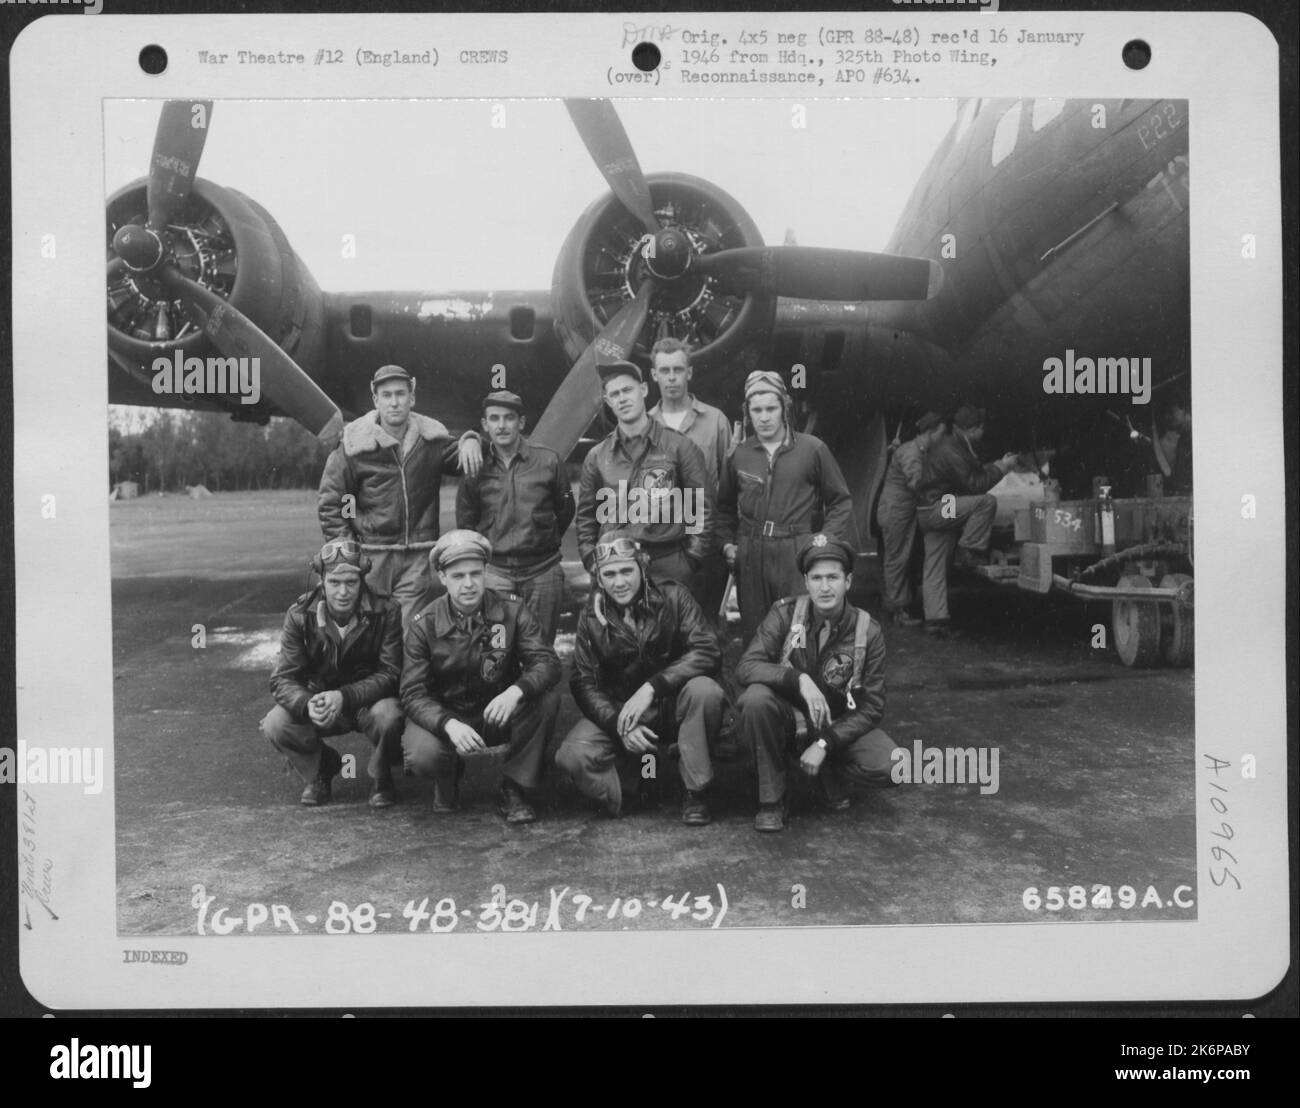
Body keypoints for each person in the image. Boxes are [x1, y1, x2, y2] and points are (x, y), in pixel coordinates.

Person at [556, 531, 725, 824]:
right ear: (599, 577)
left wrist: (653, 686)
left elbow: (707, 650)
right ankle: (634, 790)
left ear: (642, 566)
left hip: (675, 704)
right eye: (609, 574)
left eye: (626, 571)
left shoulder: (674, 595)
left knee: (705, 690)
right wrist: (617, 723)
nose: (619, 582)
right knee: (571, 755)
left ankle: (696, 792)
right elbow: (582, 681)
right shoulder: (591, 617)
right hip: (625, 712)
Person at [735, 533, 898, 833]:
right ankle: (772, 800)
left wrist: (826, 742)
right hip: (787, 719)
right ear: (806, 582)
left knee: (892, 764)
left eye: (833, 577)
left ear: (848, 581)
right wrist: (798, 679)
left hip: (836, 723)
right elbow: (746, 666)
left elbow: (872, 708)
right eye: (817, 578)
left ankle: (828, 769)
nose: (825, 587)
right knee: (755, 699)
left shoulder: (868, 630)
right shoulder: (784, 614)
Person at [400, 529, 561, 824]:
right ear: (442, 577)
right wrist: (447, 724)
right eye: (458, 576)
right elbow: (412, 693)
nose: (469, 584)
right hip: (448, 716)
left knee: (547, 697)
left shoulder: (512, 609)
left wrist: (516, 691)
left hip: (496, 712)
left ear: (487, 571)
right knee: (422, 754)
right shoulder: (424, 625)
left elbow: (547, 662)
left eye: (475, 573)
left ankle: (513, 786)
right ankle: (447, 776)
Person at [318, 365, 482, 627]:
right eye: (386, 395)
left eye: (400, 394)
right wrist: (348, 552)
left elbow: (466, 458)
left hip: (416, 557)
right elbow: (333, 503)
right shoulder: (353, 443)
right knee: (368, 633)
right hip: (371, 555)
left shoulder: (432, 440)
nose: (394, 402)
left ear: (412, 398)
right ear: (376, 400)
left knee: (408, 635)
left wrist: (472, 439)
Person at [261, 540, 405, 809]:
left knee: (391, 716)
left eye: (351, 582)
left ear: (362, 579)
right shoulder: (300, 615)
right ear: (321, 580)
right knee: (276, 724)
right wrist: (307, 703)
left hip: (369, 702)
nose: (342, 592)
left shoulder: (387, 610)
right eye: (334, 582)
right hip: (322, 702)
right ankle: (321, 770)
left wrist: (345, 696)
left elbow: (392, 673)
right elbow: (282, 679)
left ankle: (381, 775)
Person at [717, 369, 854, 643]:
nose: (764, 417)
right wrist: (728, 545)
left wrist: (822, 543)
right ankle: (759, 685)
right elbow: (723, 509)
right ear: (748, 411)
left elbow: (840, 501)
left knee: (798, 631)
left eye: (771, 408)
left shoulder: (812, 449)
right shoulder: (739, 456)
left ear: (784, 408)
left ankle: (799, 684)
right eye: (757, 410)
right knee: (756, 634)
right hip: (751, 554)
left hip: (796, 550)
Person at [576, 359, 712, 592]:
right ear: (608, 401)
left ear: (644, 390)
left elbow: (700, 510)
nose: (623, 398)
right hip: (617, 561)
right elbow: (586, 519)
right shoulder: (597, 456)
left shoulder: (680, 447)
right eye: (615, 394)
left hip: (668, 563)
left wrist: (690, 560)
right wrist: (593, 561)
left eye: (628, 390)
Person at [456, 389, 574, 644]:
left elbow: (565, 510)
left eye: (509, 418)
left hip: (542, 572)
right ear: (485, 425)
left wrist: (540, 537)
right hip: (495, 573)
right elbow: (465, 521)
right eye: (494, 419)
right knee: (496, 653)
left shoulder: (548, 461)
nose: (501, 425)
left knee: (540, 650)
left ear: (521, 422)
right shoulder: (475, 467)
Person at [914, 404, 1019, 637]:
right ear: (975, 429)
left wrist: (997, 464)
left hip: (928, 510)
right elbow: (974, 485)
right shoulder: (953, 450)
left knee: (934, 566)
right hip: (939, 508)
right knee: (986, 502)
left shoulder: (954, 445)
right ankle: (969, 549)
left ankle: (936, 620)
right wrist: (1003, 468)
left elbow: (972, 474)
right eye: (982, 428)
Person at [648, 338, 733, 622]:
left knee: (705, 625)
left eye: (678, 369)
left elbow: (728, 485)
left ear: (690, 373)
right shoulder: (645, 425)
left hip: (705, 539)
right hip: (660, 541)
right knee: (663, 624)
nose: (672, 378)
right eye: (665, 371)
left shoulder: (716, 421)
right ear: (654, 375)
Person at [875, 412, 946, 627]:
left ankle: (897, 605)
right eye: (940, 434)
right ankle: (898, 610)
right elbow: (916, 482)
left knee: (900, 557)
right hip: (897, 510)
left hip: (901, 509)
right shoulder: (912, 453)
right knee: (897, 558)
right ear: (931, 433)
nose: (942, 439)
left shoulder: (916, 449)